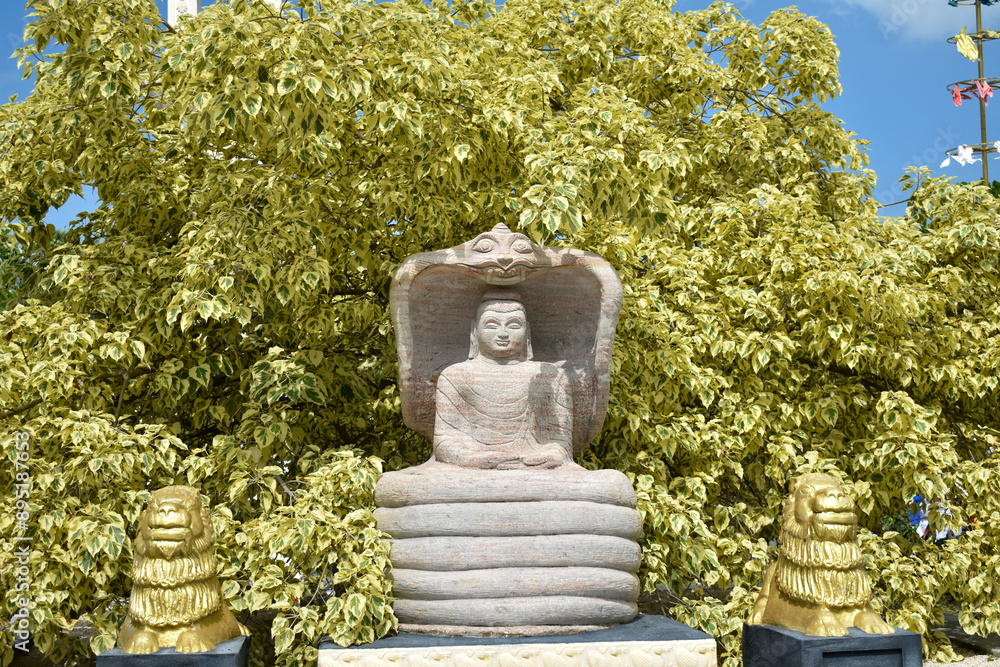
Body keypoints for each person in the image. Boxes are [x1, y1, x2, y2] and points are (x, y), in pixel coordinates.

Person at [432, 291, 578, 469]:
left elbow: (560, 441)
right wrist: (472, 459)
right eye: (492, 325)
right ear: (475, 330)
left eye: (514, 325)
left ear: (527, 331)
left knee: (615, 482)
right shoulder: (456, 375)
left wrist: (551, 455)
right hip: (474, 464)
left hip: (532, 464)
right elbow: (444, 442)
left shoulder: (549, 375)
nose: (503, 333)